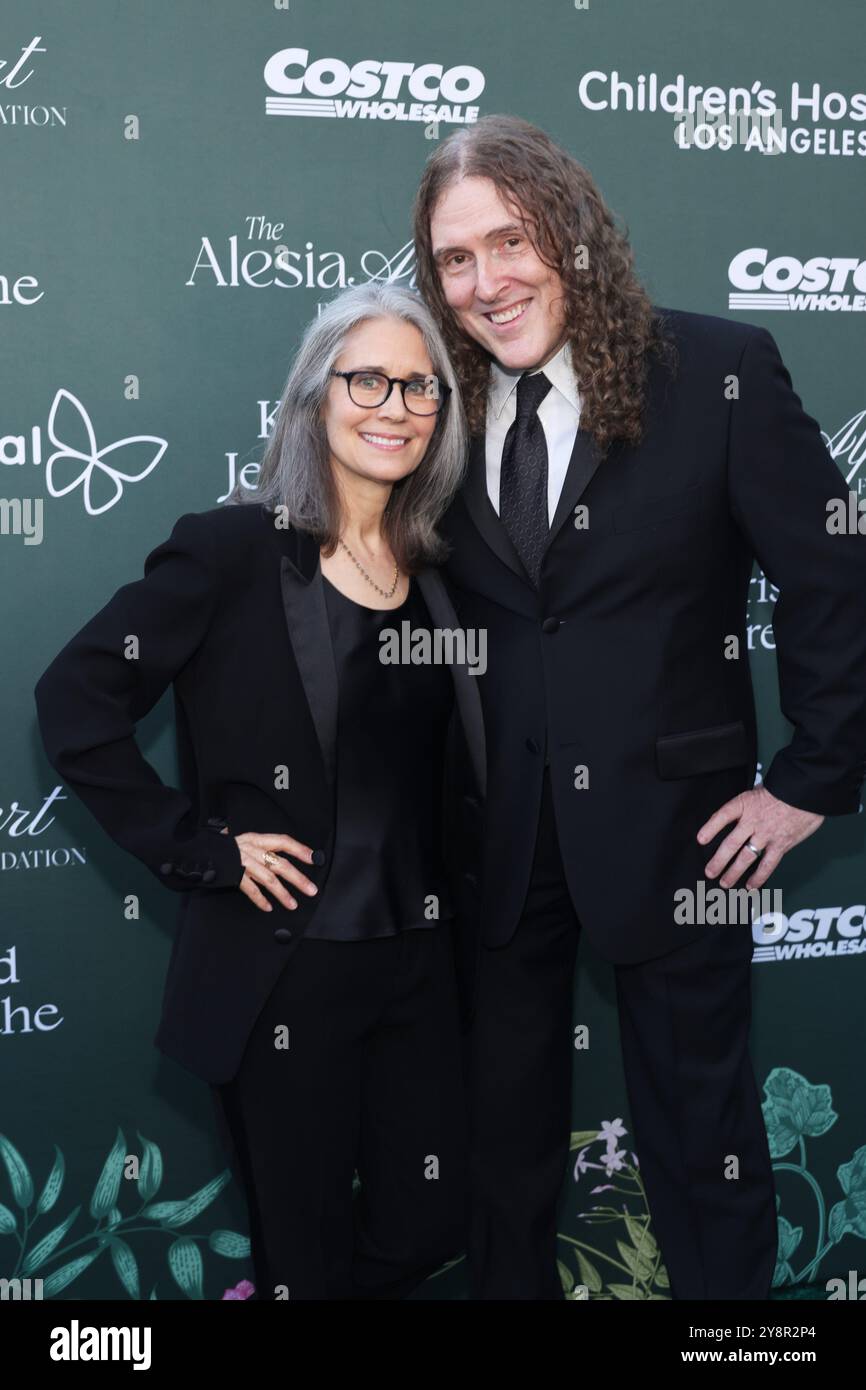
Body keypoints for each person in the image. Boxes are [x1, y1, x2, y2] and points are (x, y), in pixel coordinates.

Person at [410, 113, 866, 1300]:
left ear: (570, 232)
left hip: (680, 834)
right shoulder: (432, 405)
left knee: (700, 1142)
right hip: (497, 841)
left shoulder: (714, 371)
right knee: (499, 1158)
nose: (485, 283)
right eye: (454, 258)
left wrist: (812, 777)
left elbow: (831, 574)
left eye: (508, 242)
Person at [33, 282, 486, 1301]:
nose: (395, 404)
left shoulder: (442, 572)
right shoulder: (232, 551)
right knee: (303, 1248)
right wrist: (203, 846)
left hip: (420, 967)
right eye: (365, 378)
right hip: (284, 972)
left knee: (435, 1215)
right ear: (314, 398)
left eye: (420, 387)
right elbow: (75, 699)